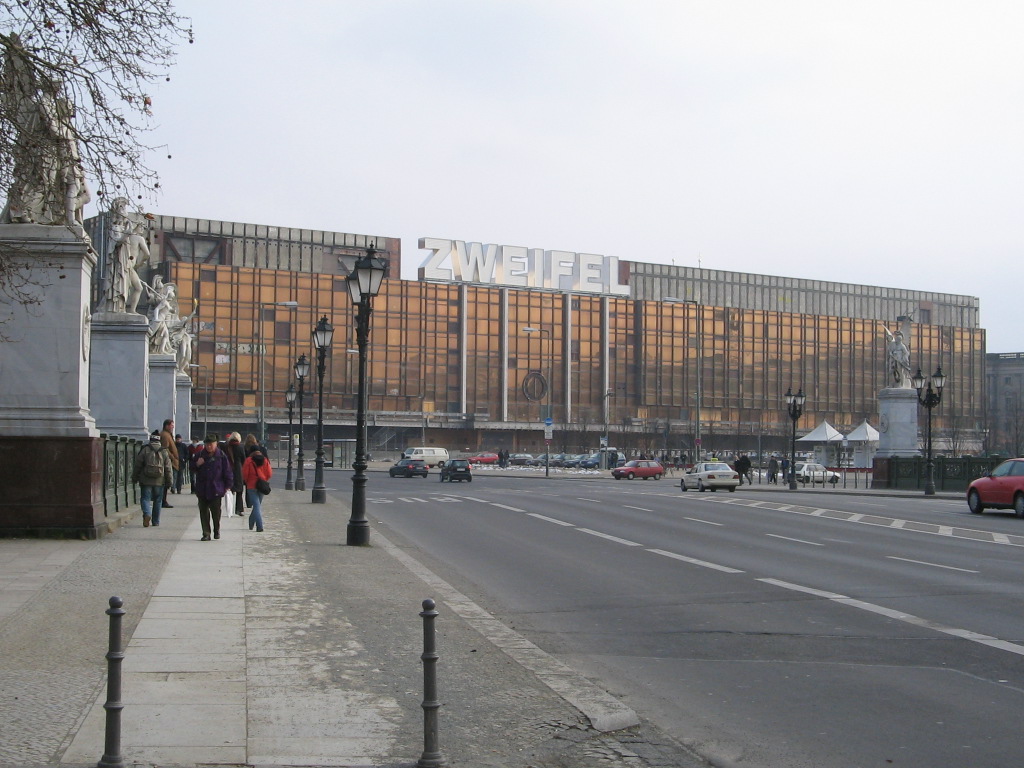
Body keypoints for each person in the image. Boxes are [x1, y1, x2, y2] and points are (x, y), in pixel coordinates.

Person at [191, 434, 233, 541]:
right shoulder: (199, 455)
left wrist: (228, 485)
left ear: (216, 444)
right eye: (207, 444)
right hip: (202, 488)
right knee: (203, 512)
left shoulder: (221, 456)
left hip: (216, 488)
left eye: (211, 444)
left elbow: (227, 471)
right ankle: (206, 533)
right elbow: (191, 468)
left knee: (216, 512)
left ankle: (216, 529)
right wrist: (197, 464)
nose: (209, 446)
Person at [131, 433, 172, 528]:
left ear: (150, 440)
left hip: (146, 480)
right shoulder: (164, 451)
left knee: (145, 498)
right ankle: (156, 521)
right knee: (158, 500)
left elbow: (138, 465)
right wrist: (169, 482)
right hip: (159, 480)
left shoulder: (145, 449)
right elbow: (168, 468)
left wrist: (134, 477)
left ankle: (147, 513)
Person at [242, 445, 273, 532]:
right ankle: (251, 523)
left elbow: (245, 473)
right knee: (257, 505)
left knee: (256, 506)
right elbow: (269, 473)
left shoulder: (249, 461)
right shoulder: (265, 460)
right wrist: (264, 479)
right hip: (261, 485)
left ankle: (259, 526)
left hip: (251, 485)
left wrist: (247, 481)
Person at [223, 432, 247, 516]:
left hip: (228, 469)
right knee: (239, 490)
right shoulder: (240, 447)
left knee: (228, 489)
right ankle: (239, 509)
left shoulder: (226, 446)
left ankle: (229, 509)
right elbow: (244, 459)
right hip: (238, 469)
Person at [159, 419, 179, 507]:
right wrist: (172, 457)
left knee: (167, 481)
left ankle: (163, 500)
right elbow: (165, 448)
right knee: (166, 481)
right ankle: (163, 500)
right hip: (168, 461)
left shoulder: (167, 435)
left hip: (171, 461)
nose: (173, 427)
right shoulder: (165, 435)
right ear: (167, 426)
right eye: (171, 425)